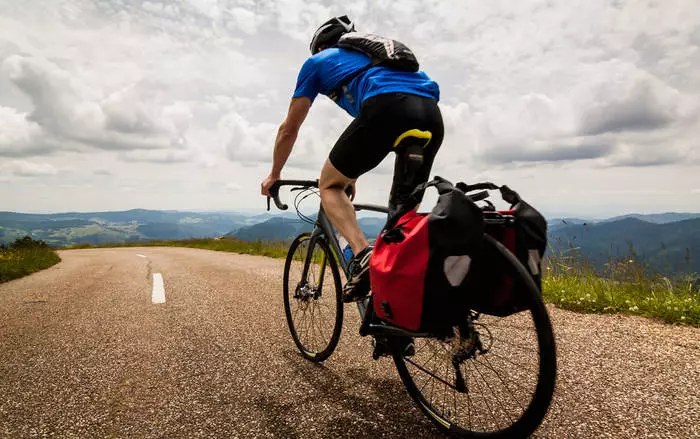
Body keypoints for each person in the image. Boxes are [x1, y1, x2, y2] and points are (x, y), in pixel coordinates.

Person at [260, 15, 444, 303]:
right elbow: (367, 135)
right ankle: (400, 322)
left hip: (386, 107)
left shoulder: (318, 62)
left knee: (329, 186)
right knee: (400, 225)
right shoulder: (375, 62)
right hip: (431, 115)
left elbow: (289, 130)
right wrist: (352, 175)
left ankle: (362, 256)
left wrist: (274, 174)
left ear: (320, 47)